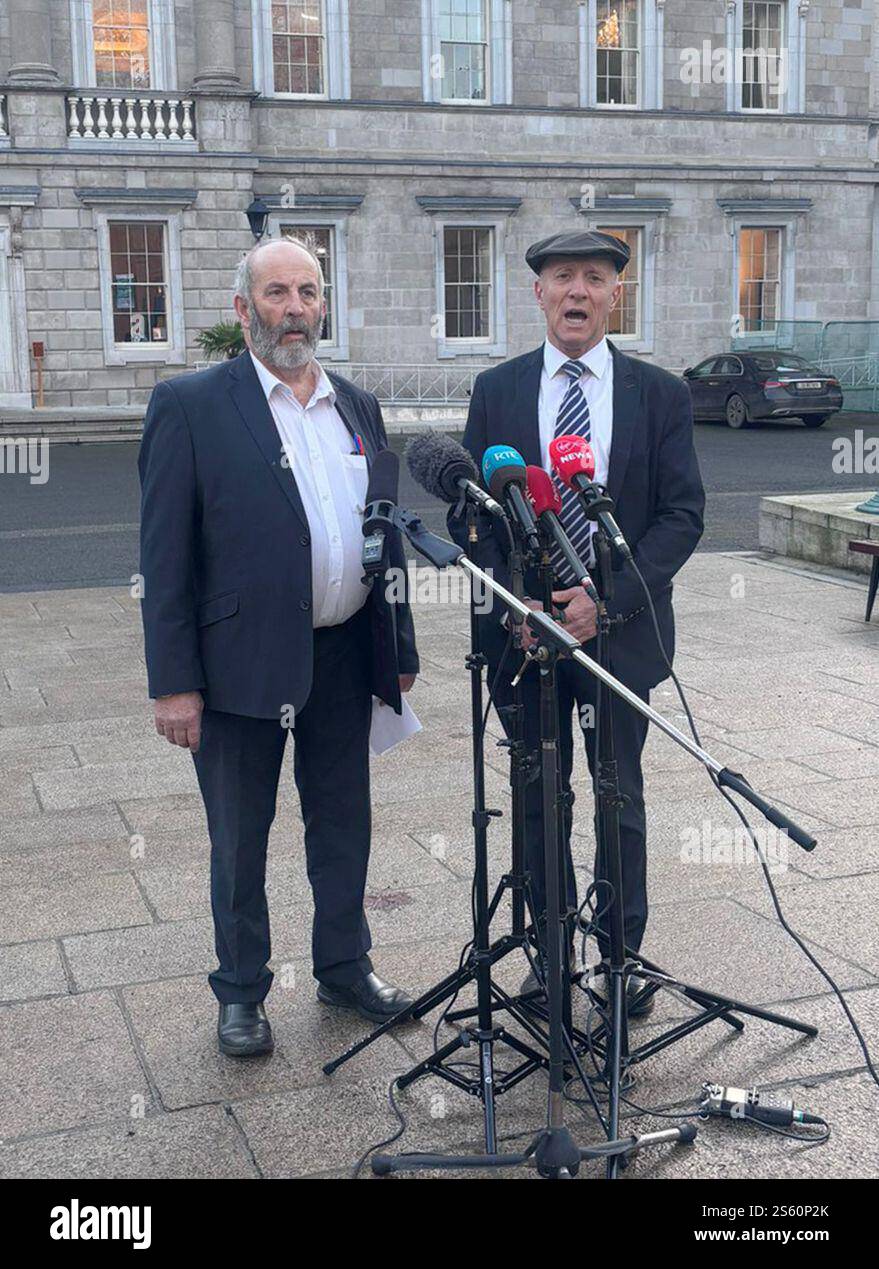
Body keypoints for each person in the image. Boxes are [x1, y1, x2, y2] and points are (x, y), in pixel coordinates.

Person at [139, 237, 418, 1057]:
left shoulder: (357, 406)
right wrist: (174, 683)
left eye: (306, 291)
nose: (293, 307)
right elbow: (164, 556)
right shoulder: (190, 404)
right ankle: (241, 991)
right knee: (240, 836)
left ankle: (343, 965)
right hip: (236, 665)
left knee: (342, 823)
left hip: (340, 655)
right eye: (275, 293)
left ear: (323, 304)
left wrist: (396, 645)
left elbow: (384, 536)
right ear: (242, 309)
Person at [454, 230, 705, 1014]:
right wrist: (514, 599)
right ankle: (546, 951)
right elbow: (474, 513)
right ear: (537, 293)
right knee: (536, 798)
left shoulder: (656, 394)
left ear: (613, 295)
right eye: (561, 277)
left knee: (615, 796)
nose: (576, 291)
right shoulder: (495, 389)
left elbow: (680, 516)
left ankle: (621, 956)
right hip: (525, 640)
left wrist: (607, 600)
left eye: (593, 278)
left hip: (618, 640)